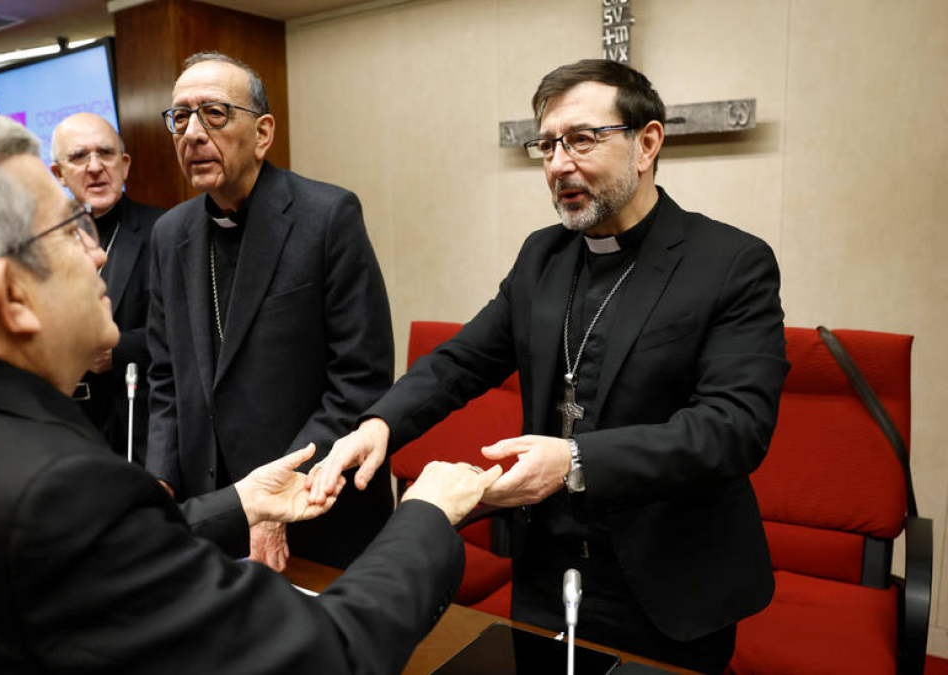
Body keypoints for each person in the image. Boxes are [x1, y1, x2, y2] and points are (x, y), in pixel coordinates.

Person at [0, 109, 502, 673]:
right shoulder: (59, 492)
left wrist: (240, 499)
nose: (99, 252)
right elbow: (326, 655)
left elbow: (69, 575)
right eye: (69, 227)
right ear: (13, 296)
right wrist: (428, 516)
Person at [311, 59, 789, 673]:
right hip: (545, 569)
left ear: (647, 144)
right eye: (547, 144)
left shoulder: (731, 261)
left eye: (582, 140)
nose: (559, 163)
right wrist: (378, 425)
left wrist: (576, 462)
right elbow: (461, 361)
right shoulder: (543, 255)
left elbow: (734, 427)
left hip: (668, 581)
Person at [146, 52, 395, 570]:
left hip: (317, 508)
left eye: (213, 113)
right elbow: (165, 376)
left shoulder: (327, 216)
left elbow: (359, 379)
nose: (192, 133)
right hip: (214, 510)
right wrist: (161, 481)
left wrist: (278, 499)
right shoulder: (170, 233)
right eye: (179, 117)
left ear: (262, 133)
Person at [50, 112, 165, 462]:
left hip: (143, 424)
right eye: (79, 156)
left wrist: (118, 351)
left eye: (106, 153)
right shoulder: (43, 242)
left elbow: (194, 334)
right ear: (59, 174)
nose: (95, 166)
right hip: (69, 429)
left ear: (125, 164)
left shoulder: (164, 231)